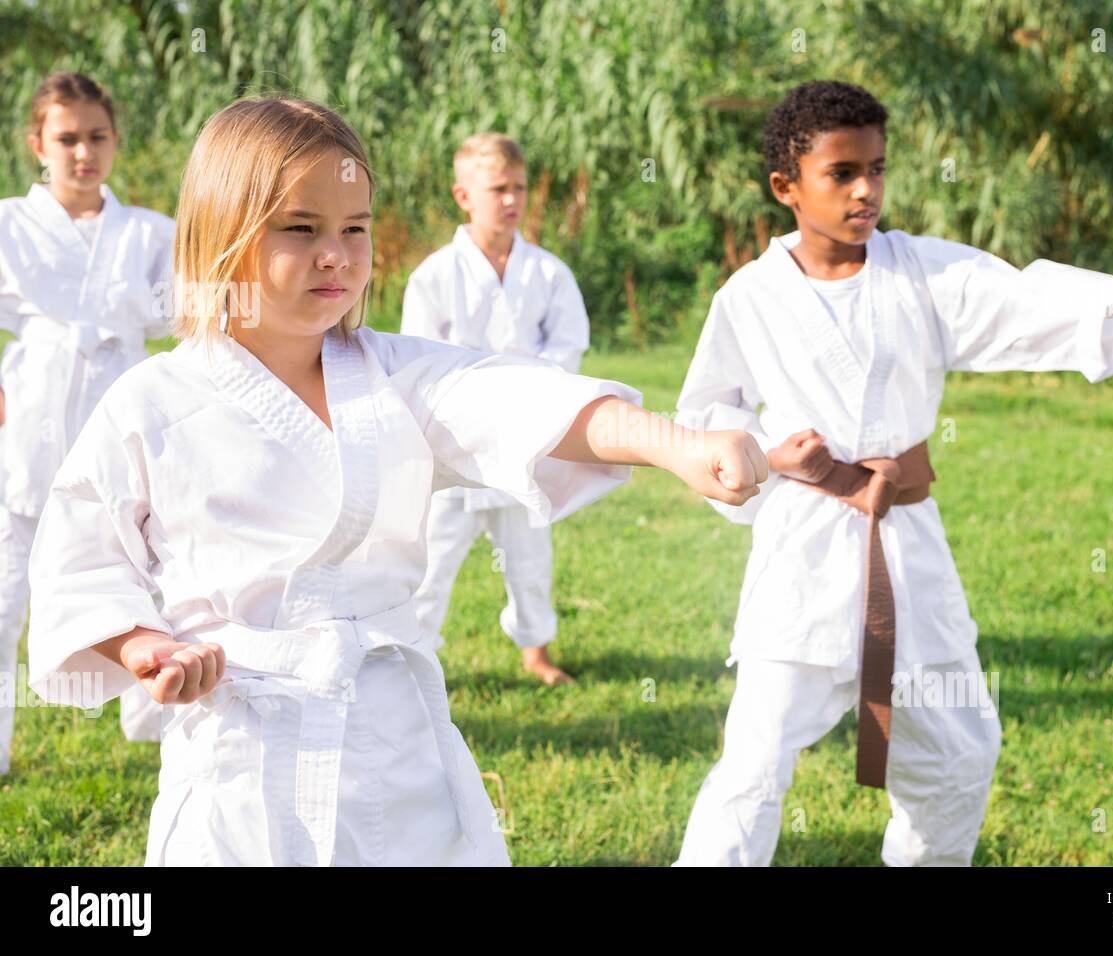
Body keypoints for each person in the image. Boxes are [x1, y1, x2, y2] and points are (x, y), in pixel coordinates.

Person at [23, 95, 767, 866]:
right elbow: (83, 554)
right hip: (244, 750)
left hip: (396, 743)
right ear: (225, 233)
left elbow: (508, 396)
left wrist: (676, 445)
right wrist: (142, 642)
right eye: (301, 229)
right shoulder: (153, 403)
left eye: (355, 228)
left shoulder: (390, 376)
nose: (336, 255)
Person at [674, 79, 1113, 867]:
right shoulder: (751, 297)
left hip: (905, 545)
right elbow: (705, 416)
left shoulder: (920, 272)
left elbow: (1024, 297)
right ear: (785, 187)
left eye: (878, 167)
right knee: (755, 767)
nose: (867, 188)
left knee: (960, 756)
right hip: (802, 553)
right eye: (842, 173)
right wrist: (758, 456)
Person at [0, 71, 172, 773]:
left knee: (150, 574)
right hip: (31, 416)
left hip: (120, 406)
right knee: (7, 591)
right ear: (37, 142)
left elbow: (188, 316)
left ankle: (156, 716)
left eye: (96, 137)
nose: (83, 153)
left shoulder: (149, 233)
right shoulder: (9, 222)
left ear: (115, 141)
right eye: (66, 138)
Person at [401, 133, 590, 686]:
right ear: (464, 196)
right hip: (453, 444)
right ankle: (417, 657)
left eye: (520, 188)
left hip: (526, 440)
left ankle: (537, 651)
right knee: (431, 563)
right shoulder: (434, 276)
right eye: (498, 189)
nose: (511, 200)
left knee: (529, 560)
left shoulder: (548, 272)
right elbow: (419, 359)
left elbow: (568, 349)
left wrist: (523, 390)